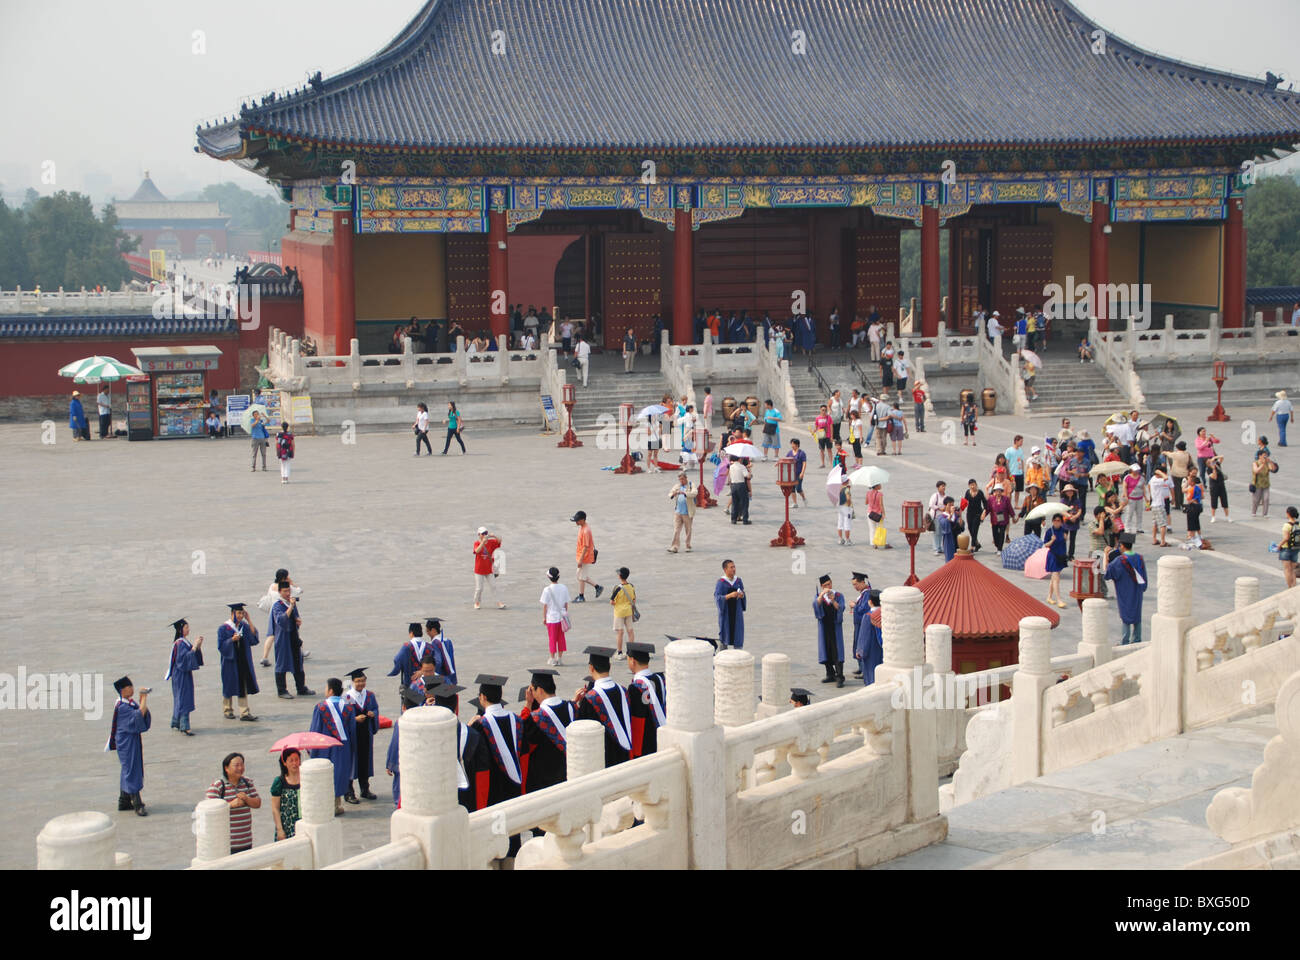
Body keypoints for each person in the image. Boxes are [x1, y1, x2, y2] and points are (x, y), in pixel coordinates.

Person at [573, 648, 632, 767]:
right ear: (610, 666)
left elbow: (580, 729)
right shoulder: (623, 690)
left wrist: (575, 704)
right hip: (624, 753)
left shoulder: (590, 699)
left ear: (591, 668)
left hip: (603, 757)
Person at [519, 668, 574, 791]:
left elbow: (524, 744)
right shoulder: (572, 707)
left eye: (532, 690)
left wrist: (528, 704)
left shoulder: (535, 719)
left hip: (544, 782)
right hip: (569, 774)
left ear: (540, 690)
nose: (532, 693)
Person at [309, 678, 357, 815]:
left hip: (324, 747)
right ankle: (336, 805)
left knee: (324, 772)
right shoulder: (348, 707)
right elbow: (352, 730)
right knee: (339, 773)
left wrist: (312, 748)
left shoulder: (321, 708)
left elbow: (315, 729)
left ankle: (325, 806)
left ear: (330, 691)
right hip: (343, 747)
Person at [107, 676, 150, 816]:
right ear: (122, 690)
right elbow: (138, 716)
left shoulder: (128, 703)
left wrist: (141, 700)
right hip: (127, 743)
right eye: (129, 687)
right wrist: (143, 698)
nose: (132, 688)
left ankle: (123, 801)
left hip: (131, 740)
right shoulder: (122, 707)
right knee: (132, 770)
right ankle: (137, 803)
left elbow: (140, 713)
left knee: (128, 769)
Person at [205, 753, 261, 854]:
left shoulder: (247, 782)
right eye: (236, 765)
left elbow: (257, 803)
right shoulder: (217, 786)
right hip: (225, 844)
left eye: (242, 764)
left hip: (246, 841)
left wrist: (246, 799)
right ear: (226, 768)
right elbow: (209, 812)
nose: (240, 768)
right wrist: (229, 805)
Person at [271, 580, 313, 698]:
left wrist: (297, 620)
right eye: (285, 591)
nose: (288, 593)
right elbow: (281, 620)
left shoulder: (292, 603)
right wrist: (291, 607)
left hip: (293, 637)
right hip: (283, 639)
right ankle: (282, 690)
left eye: (289, 590)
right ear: (280, 592)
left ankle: (301, 687)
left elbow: (296, 616)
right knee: (282, 664)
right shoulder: (277, 606)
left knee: (297, 662)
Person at [217, 603, 259, 720]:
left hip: (243, 661)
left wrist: (249, 620)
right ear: (232, 614)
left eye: (242, 613)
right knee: (229, 685)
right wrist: (231, 640)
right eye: (238, 613)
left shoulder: (244, 626)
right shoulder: (223, 628)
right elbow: (221, 646)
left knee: (242, 685)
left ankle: (244, 712)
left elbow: (254, 639)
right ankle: (227, 709)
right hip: (230, 662)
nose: (240, 615)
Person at [343, 668, 379, 802]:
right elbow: (343, 717)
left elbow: (375, 708)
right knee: (351, 762)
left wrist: (373, 714)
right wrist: (354, 719)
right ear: (352, 682)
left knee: (365, 761)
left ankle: (365, 789)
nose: (361, 684)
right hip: (353, 735)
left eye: (363, 681)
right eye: (358, 681)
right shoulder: (347, 697)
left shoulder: (370, 695)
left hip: (366, 733)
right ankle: (349, 792)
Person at [1105, 533, 1148, 644]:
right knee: (1137, 615)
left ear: (1122, 545)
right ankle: (1137, 639)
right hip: (1137, 591)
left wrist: (1106, 555)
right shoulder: (1140, 558)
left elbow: (1107, 574)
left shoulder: (1119, 560)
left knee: (1126, 616)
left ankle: (1125, 640)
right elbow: (1144, 579)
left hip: (1124, 591)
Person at [625, 642, 666, 757]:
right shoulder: (659, 678)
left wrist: (635, 752)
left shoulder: (635, 687)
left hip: (646, 742)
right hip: (661, 733)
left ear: (632, 661)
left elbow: (637, 720)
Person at [165, 617, 203, 735]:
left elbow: (190, 654)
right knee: (183, 698)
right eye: (186, 627)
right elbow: (183, 659)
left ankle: (176, 722)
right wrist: (195, 646)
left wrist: (198, 646)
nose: (188, 629)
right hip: (181, 674)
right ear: (181, 629)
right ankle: (184, 726)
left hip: (183, 674)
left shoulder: (183, 641)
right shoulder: (180, 643)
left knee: (181, 697)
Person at [257, 568, 301, 666]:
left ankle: (264, 657)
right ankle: (299, 650)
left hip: (273, 612)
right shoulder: (287, 587)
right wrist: (292, 582)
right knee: (293, 630)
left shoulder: (272, 586)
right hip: (285, 611)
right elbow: (299, 591)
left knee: (271, 634)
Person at [814, 575, 846, 687]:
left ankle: (840, 676)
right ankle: (830, 674)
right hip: (824, 627)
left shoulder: (838, 595)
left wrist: (833, 601)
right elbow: (815, 606)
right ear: (822, 586)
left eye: (829, 583)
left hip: (835, 627)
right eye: (825, 585)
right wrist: (821, 595)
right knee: (826, 649)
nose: (828, 586)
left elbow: (841, 608)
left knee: (837, 651)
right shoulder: (819, 596)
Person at [540, 567, 571, 666]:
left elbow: (545, 606)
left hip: (551, 618)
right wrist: (564, 613)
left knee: (552, 638)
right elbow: (566, 604)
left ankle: (552, 658)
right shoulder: (564, 587)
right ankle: (560, 658)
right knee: (561, 638)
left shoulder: (547, 590)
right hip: (561, 617)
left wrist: (544, 617)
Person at [270, 748, 301, 841]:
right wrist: (280, 829)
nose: (295, 763)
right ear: (284, 763)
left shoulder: (306, 778)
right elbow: (275, 808)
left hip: (303, 823)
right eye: (291, 760)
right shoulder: (279, 782)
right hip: (287, 825)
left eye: (297, 759)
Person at [571, 510, 603, 601]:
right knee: (580, 575)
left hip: (585, 557)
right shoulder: (583, 527)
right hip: (583, 555)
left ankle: (582, 595)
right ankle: (596, 588)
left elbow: (586, 546)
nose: (576, 522)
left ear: (582, 520)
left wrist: (580, 560)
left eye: (577, 520)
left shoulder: (586, 530)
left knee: (581, 576)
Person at [472, 525, 506, 610]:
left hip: (489, 569)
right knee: (479, 589)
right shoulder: (477, 543)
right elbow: (477, 551)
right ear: (479, 534)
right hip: (479, 570)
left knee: (493, 586)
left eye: (485, 533)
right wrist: (482, 542)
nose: (484, 535)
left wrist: (493, 535)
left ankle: (499, 602)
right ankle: (477, 602)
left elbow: (499, 540)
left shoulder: (491, 542)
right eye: (483, 534)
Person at [387, 621, 429, 689]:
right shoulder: (429, 646)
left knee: (410, 698)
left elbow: (397, 659)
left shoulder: (407, 646)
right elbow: (436, 662)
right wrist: (422, 671)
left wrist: (395, 670)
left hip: (410, 681)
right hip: (426, 682)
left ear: (411, 633)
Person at [715, 559, 746, 650]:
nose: (734, 569)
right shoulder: (721, 583)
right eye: (731, 567)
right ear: (725, 569)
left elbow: (743, 592)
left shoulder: (738, 581)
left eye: (734, 567)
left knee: (738, 635)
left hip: (737, 613)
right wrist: (729, 596)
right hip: (726, 614)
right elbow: (718, 598)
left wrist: (742, 595)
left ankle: (739, 657)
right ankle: (722, 657)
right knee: (725, 636)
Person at [1042, 514, 1069, 608]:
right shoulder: (1050, 531)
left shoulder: (1064, 530)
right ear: (1053, 521)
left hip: (1061, 555)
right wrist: (1052, 540)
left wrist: (1066, 538)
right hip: (1053, 555)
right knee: (1056, 578)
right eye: (1055, 520)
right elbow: (1046, 544)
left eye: (1059, 520)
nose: (1057, 522)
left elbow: (1065, 541)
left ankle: (1049, 596)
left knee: (1054, 578)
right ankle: (1059, 600)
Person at [609, 567, 637, 659]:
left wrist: (618, 604)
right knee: (630, 631)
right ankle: (631, 651)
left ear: (620, 576)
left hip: (619, 612)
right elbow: (634, 599)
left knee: (620, 632)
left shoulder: (618, 588)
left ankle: (620, 653)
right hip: (629, 611)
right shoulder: (631, 586)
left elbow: (612, 601)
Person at [668, 472, 695, 552]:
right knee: (676, 530)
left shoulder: (691, 485)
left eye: (682, 479)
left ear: (686, 478)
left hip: (687, 512)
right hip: (678, 511)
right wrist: (674, 493)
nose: (681, 481)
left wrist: (685, 493)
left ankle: (688, 545)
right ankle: (675, 546)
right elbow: (670, 494)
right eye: (680, 479)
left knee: (688, 529)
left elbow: (694, 493)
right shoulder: (677, 486)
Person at [984, 485, 1015, 554]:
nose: (998, 492)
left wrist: (1013, 517)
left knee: (1001, 534)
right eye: (996, 491)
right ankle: (998, 545)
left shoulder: (1006, 499)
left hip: (1003, 520)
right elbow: (988, 509)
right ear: (994, 491)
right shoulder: (991, 499)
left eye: (999, 491)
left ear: (1001, 491)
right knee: (995, 535)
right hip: (994, 520)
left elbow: (1010, 508)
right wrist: (983, 516)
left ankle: (1000, 549)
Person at [426, 617, 457, 684]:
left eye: (428, 631)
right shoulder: (448, 641)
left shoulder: (435, 643)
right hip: (451, 676)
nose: (427, 633)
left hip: (442, 678)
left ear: (433, 630)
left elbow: (438, 662)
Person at [962, 479, 989, 552]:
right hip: (969, 513)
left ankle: (972, 546)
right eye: (971, 485)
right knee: (970, 529)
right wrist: (960, 509)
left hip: (978, 514)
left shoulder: (980, 493)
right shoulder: (967, 493)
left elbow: (985, 503)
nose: (972, 486)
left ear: (976, 484)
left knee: (975, 529)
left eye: (973, 484)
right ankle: (977, 544)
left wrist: (984, 512)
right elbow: (964, 502)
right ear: (969, 486)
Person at [1148, 469, 1172, 546]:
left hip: (1154, 504)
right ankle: (1163, 541)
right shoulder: (1156, 480)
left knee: (1155, 523)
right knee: (1163, 524)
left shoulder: (1152, 479)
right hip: (1159, 504)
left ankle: (1154, 539)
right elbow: (1166, 478)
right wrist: (1160, 472)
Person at [1167, 440, 1192, 511]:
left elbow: (1169, 454)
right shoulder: (1187, 454)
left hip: (1176, 473)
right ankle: (1181, 502)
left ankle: (1177, 504)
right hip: (1185, 473)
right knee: (1182, 489)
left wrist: (1164, 452)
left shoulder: (1176, 454)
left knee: (1176, 489)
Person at [1122, 463, 1147, 534]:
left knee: (1139, 514)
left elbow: (1143, 487)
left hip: (1139, 498)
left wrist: (1145, 497)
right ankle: (1127, 528)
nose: (1136, 472)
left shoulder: (1141, 478)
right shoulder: (1127, 477)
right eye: (1135, 470)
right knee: (1129, 513)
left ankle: (1139, 527)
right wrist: (1126, 496)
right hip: (1131, 498)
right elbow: (1125, 487)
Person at [727, 456, 752, 524]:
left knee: (735, 503)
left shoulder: (731, 467)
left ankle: (733, 519)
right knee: (744, 503)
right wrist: (749, 471)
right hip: (741, 485)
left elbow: (729, 478)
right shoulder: (741, 466)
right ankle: (745, 519)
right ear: (739, 459)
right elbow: (747, 476)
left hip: (733, 485)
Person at [1207, 456, 1231, 523]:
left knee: (1224, 501)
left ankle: (1227, 516)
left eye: (1213, 461)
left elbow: (1222, 457)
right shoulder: (1208, 470)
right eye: (1211, 462)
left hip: (1221, 485)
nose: (1213, 463)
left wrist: (1214, 457)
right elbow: (1214, 477)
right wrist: (1213, 469)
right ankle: (1213, 517)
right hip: (1214, 487)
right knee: (1214, 502)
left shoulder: (1217, 464)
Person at [1281, 507, 1300, 588]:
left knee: (1287, 570)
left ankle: (1289, 587)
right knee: (1293, 569)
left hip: (1286, 549)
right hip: (1295, 548)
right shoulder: (1298, 524)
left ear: (1288, 514)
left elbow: (1286, 538)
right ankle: (1294, 585)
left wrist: (1279, 546)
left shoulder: (1287, 525)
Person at [1005, 436, 1026, 510]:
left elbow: (1022, 461)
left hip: (1019, 473)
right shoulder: (1009, 450)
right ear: (1016, 441)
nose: (1022, 443)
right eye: (1021, 441)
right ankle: (1009, 504)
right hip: (1012, 473)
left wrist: (1023, 471)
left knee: (1018, 490)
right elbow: (1006, 462)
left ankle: (1016, 504)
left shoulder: (1020, 450)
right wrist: (1008, 472)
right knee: (1010, 490)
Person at [863, 482, 886, 550]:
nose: (881, 485)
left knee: (872, 529)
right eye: (879, 484)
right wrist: (884, 514)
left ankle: (873, 543)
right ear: (876, 486)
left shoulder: (868, 493)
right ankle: (879, 541)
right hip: (878, 514)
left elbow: (866, 502)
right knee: (879, 528)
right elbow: (881, 505)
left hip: (870, 513)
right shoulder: (880, 494)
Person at [927, 481, 947, 555]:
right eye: (942, 486)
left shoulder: (945, 496)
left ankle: (940, 547)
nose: (944, 488)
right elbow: (931, 504)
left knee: (941, 532)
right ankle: (936, 548)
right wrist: (939, 508)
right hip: (936, 516)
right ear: (938, 488)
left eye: (944, 486)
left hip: (943, 517)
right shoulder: (935, 496)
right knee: (936, 532)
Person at [937, 498, 960, 562]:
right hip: (948, 539)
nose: (951, 507)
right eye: (950, 505)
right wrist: (951, 514)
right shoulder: (941, 516)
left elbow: (961, 526)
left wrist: (960, 515)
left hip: (956, 538)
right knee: (950, 558)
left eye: (952, 505)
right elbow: (945, 524)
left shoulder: (955, 515)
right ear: (945, 505)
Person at [788, 438, 809, 507]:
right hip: (791, 474)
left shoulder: (802, 453)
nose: (792, 445)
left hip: (798, 474)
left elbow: (804, 463)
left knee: (798, 489)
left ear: (797, 445)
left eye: (793, 444)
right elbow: (786, 459)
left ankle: (804, 498)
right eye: (791, 444)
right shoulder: (790, 453)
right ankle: (795, 503)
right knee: (792, 488)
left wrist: (802, 473)